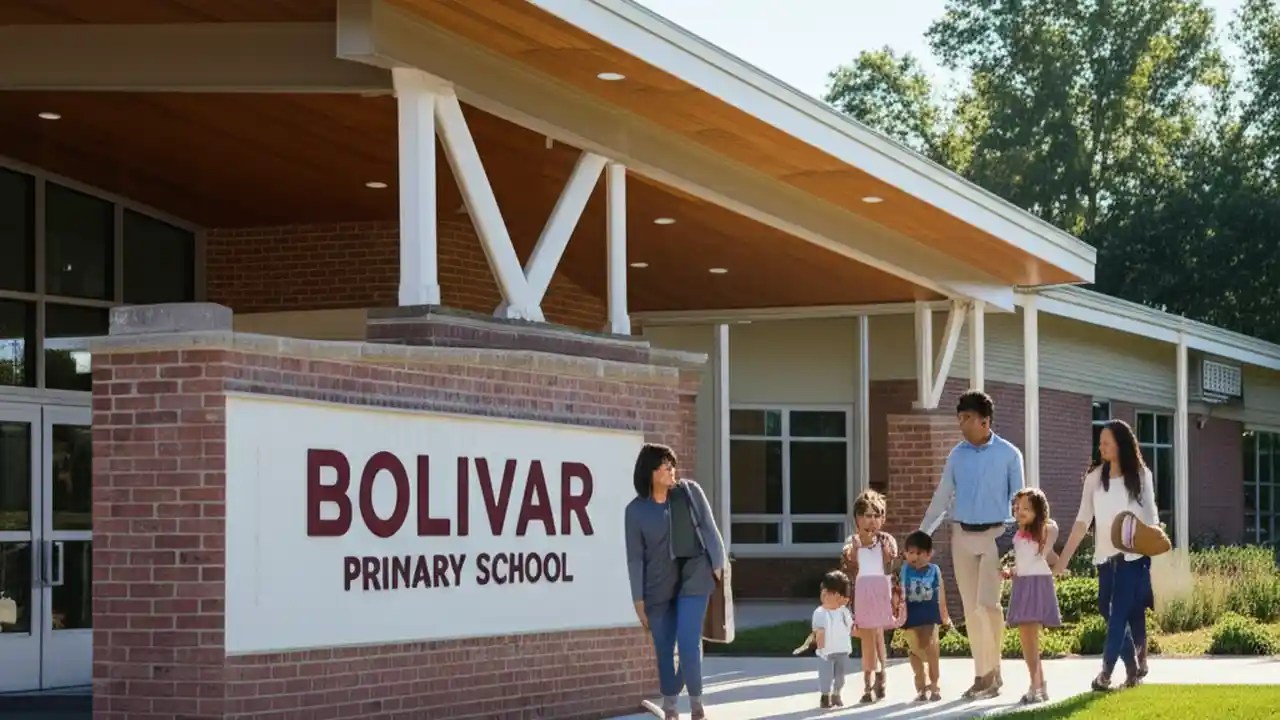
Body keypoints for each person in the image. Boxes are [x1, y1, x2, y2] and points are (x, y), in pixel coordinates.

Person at [919, 389, 1025, 699]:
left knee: (988, 607)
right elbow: (942, 497)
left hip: (996, 536)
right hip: (961, 536)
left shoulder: (1009, 454)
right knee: (970, 608)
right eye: (959, 418)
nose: (961, 424)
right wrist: (923, 532)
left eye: (967, 418)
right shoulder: (956, 455)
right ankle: (983, 675)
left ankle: (994, 671)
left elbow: (1020, 501)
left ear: (984, 420)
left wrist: (1019, 541)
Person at [1053, 420, 1156, 692]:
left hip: (1133, 557)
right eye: (1100, 442)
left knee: (1119, 611)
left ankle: (1106, 674)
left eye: (1106, 442)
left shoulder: (1141, 476)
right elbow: (1081, 521)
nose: (1101, 447)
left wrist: (1153, 546)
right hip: (1105, 557)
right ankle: (1134, 664)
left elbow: (1152, 517)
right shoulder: (1095, 478)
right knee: (1108, 609)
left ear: (1121, 444)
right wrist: (1062, 561)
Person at [625, 443, 726, 720]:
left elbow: (708, 525)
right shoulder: (635, 512)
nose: (672, 470)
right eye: (665, 465)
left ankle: (696, 706)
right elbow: (635, 559)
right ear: (650, 472)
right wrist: (638, 599)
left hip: (694, 576)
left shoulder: (689, 492)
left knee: (688, 640)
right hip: (657, 586)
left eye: (673, 464)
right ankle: (670, 706)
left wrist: (718, 565)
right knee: (664, 647)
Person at [1004, 487, 1063, 704]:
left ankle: (1036, 685)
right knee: (1027, 641)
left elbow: (1053, 528)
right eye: (1017, 507)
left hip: (1037, 585)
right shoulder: (1019, 533)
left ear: (1038, 512)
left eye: (1026, 508)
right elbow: (1025, 561)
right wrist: (1011, 571)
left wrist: (1040, 522)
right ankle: (1038, 683)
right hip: (1022, 584)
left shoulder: (1043, 531)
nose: (1019, 511)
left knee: (1031, 641)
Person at [840, 489, 898, 704]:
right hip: (862, 590)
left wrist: (880, 543)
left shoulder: (886, 539)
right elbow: (849, 560)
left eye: (876, 516)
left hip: (880, 589)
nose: (872, 521)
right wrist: (858, 545)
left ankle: (882, 673)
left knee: (878, 634)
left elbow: (890, 559)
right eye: (867, 515)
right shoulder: (852, 540)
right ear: (857, 518)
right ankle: (867, 681)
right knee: (866, 636)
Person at [900, 530, 952, 702]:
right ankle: (921, 687)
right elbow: (898, 593)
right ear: (906, 553)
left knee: (931, 650)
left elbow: (941, 593)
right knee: (915, 652)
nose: (915, 557)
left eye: (919, 553)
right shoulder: (905, 570)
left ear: (929, 554)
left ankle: (935, 685)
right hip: (910, 616)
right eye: (911, 553)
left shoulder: (934, 570)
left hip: (929, 615)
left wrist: (944, 615)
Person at [810, 570, 855, 709]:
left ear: (842, 598)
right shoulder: (820, 612)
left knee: (840, 676)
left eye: (831, 594)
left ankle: (837, 693)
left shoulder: (844, 612)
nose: (826, 597)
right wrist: (820, 646)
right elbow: (818, 630)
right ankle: (825, 696)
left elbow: (851, 627)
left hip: (842, 649)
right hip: (826, 651)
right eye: (824, 593)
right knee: (826, 675)